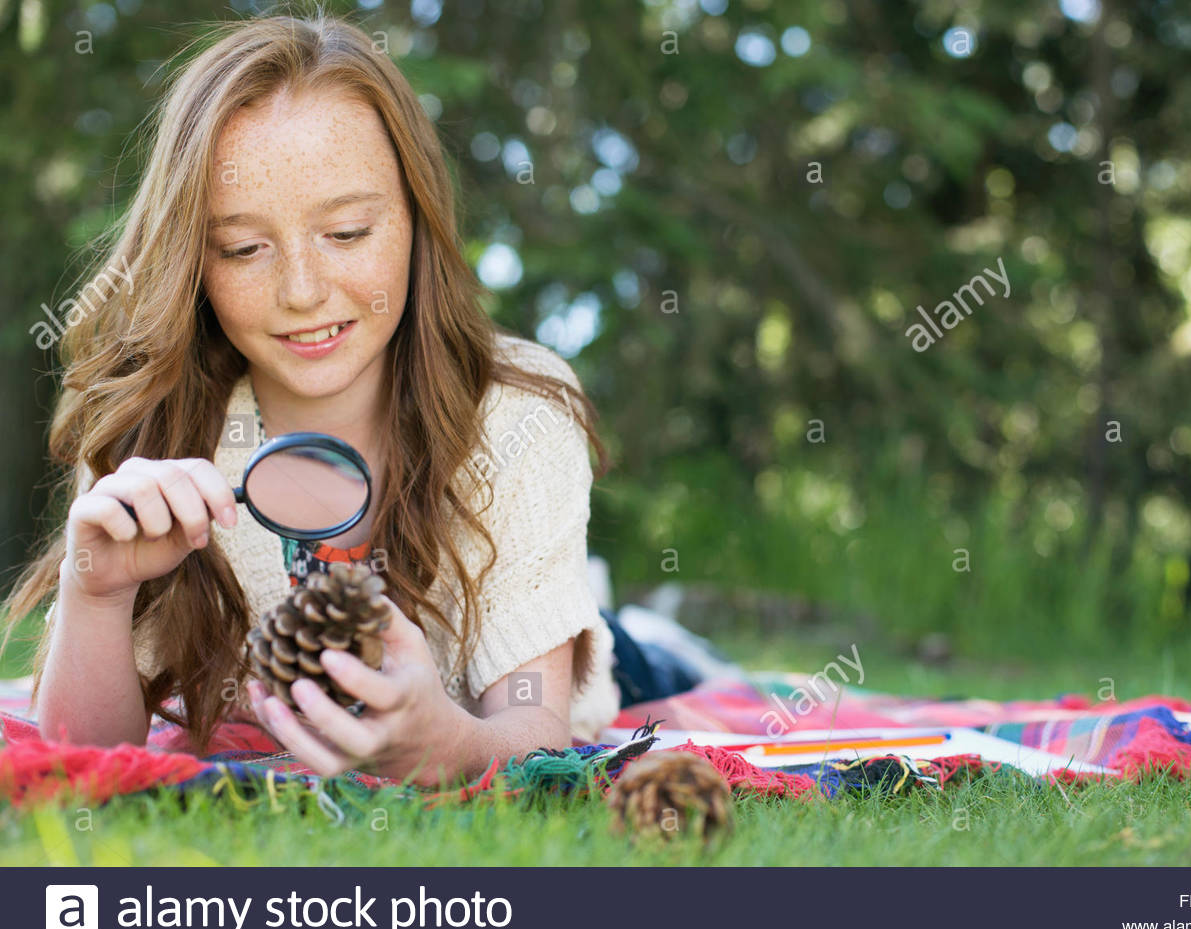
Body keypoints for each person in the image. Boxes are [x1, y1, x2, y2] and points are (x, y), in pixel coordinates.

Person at [0, 13, 689, 789]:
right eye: (243, 248)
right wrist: (98, 590)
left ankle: (650, 630)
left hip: (602, 671)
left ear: (417, 219)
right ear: (193, 254)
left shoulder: (519, 412)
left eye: (349, 232)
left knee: (658, 660)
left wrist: (446, 743)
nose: (301, 292)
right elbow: (73, 760)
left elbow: (533, 729)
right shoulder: (155, 419)